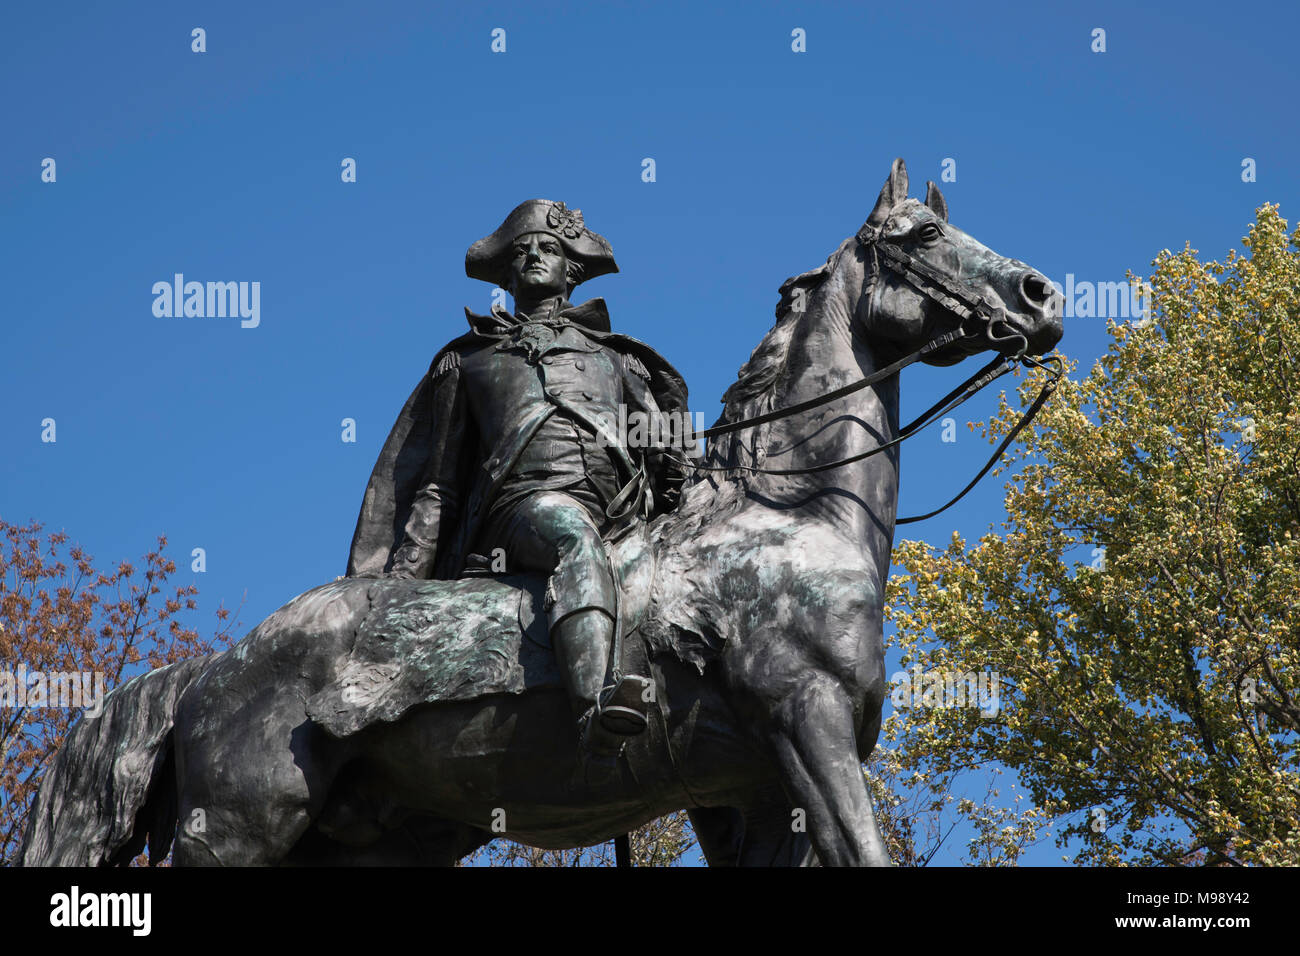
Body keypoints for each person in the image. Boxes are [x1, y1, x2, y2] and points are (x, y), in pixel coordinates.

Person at [347, 199, 691, 769]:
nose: (534, 254)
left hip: (623, 514)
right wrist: (398, 582)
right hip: (522, 514)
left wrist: (679, 461)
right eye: (522, 251)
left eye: (548, 248)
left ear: (571, 269)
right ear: (505, 275)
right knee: (570, 531)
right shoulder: (467, 362)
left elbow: (664, 444)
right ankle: (593, 711)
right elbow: (438, 485)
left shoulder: (618, 360)